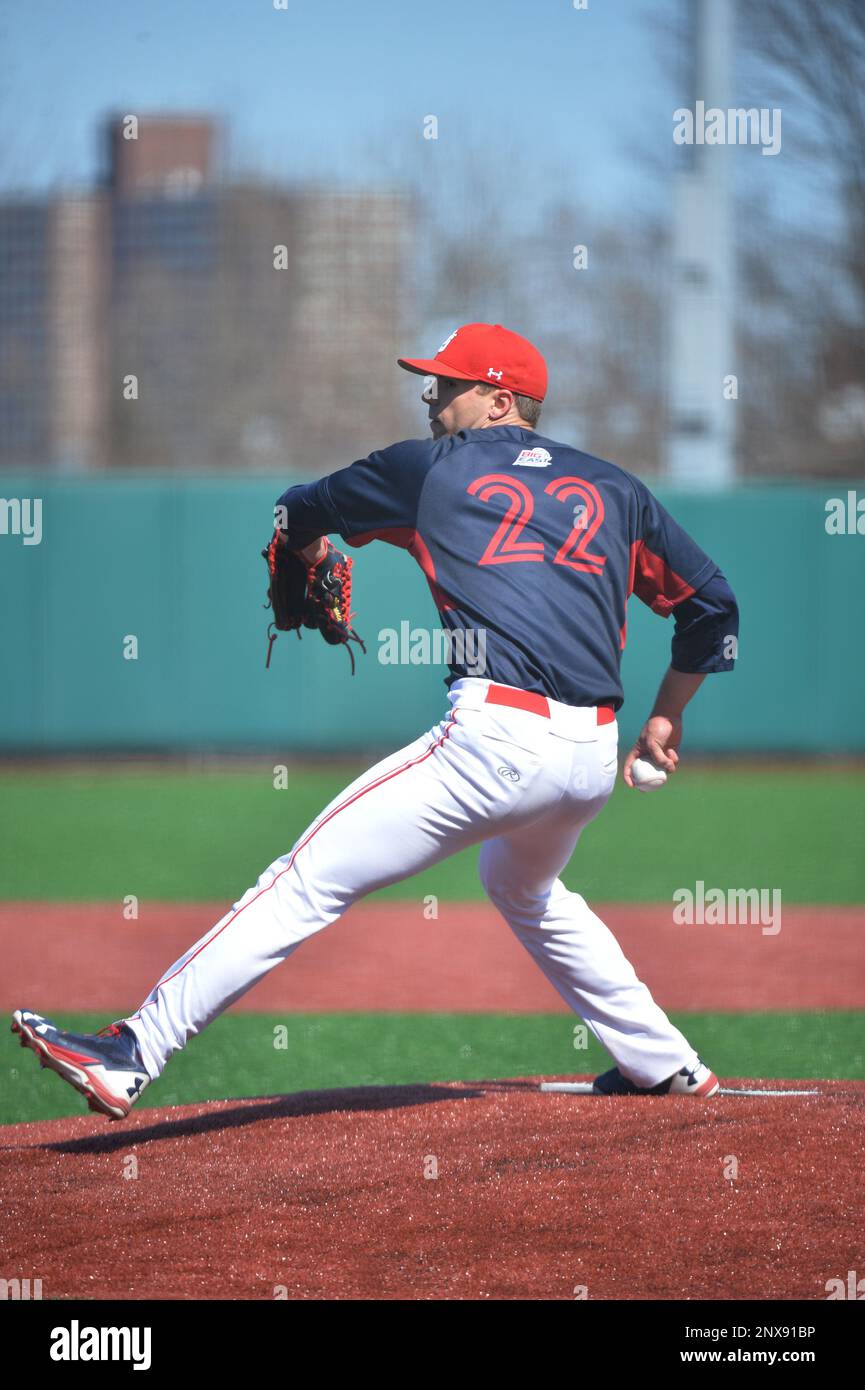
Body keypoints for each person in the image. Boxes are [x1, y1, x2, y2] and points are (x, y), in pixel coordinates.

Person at [12, 322, 738, 1118]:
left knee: (301, 880)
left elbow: (298, 509)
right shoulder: (618, 489)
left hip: (494, 741)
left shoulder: (423, 468)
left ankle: (130, 1053)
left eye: (447, 384)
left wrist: (306, 554)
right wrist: (666, 719)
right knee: (522, 883)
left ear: (499, 400)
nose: (430, 395)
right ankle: (663, 1065)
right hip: (591, 757)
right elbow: (711, 606)